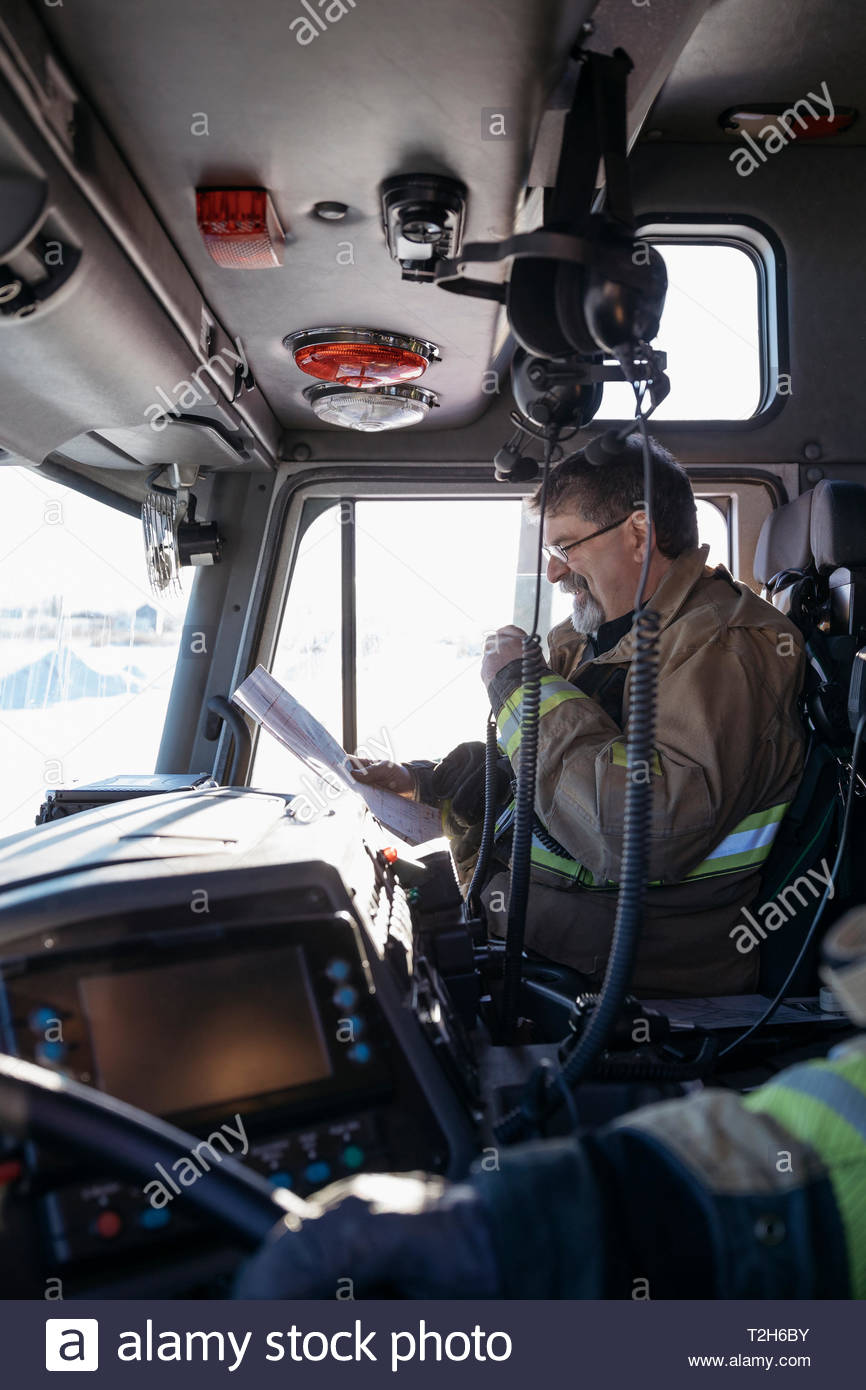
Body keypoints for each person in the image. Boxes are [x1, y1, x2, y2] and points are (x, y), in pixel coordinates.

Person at [353, 436, 806, 997]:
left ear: (639, 535)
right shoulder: (590, 636)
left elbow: (643, 835)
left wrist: (519, 689)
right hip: (550, 931)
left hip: (636, 978)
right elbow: (561, 762)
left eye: (566, 547)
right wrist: (430, 781)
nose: (552, 572)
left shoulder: (725, 645)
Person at [235, 908, 866, 1299]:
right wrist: (443, 779)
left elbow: (661, 815)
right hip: (554, 947)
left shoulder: (698, 683)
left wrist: (567, 1229)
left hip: (663, 958)